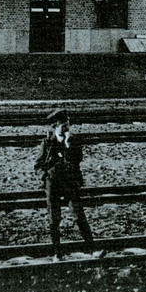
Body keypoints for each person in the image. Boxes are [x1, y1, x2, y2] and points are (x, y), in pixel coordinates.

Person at [34, 109, 95, 257]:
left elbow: (77, 160)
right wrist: (45, 178)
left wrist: (68, 146)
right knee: (54, 219)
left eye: (68, 125)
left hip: (69, 182)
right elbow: (38, 165)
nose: (67, 128)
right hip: (53, 183)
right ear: (56, 126)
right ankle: (57, 252)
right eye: (64, 126)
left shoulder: (73, 142)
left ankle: (92, 249)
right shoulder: (47, 143)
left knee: (78, 215)